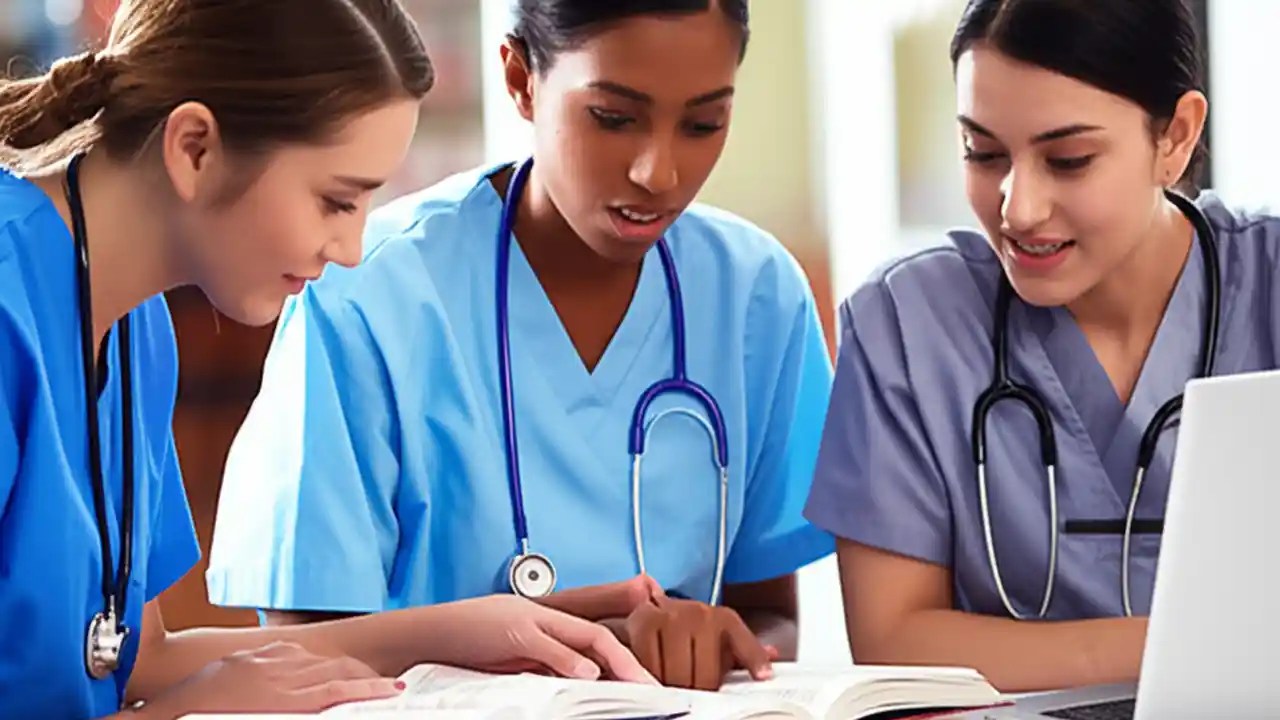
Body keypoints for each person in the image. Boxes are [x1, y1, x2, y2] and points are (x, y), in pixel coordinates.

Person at [0, 1, 655, 718]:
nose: (349, 250)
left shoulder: (135, 329)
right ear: (194, 149)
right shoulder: (11, 306)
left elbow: (133, 662)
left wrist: (459, 631)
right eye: (336, 201)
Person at [205, 0, 835, 692]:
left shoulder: (756, 296)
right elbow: (300, 652)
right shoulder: (367, 293)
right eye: (614, 118)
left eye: (703, 124)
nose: (659, 173)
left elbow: (769, 618)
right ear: (520, 79)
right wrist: (560, 647)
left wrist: (714, 639)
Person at [805, 0, 1280, 694]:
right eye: (983, 152)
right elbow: (894, 641)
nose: (1017, 208)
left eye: (1069, 159)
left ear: (1175, 138)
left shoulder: (1265, 287)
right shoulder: (907, 327)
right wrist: (1203, 643)